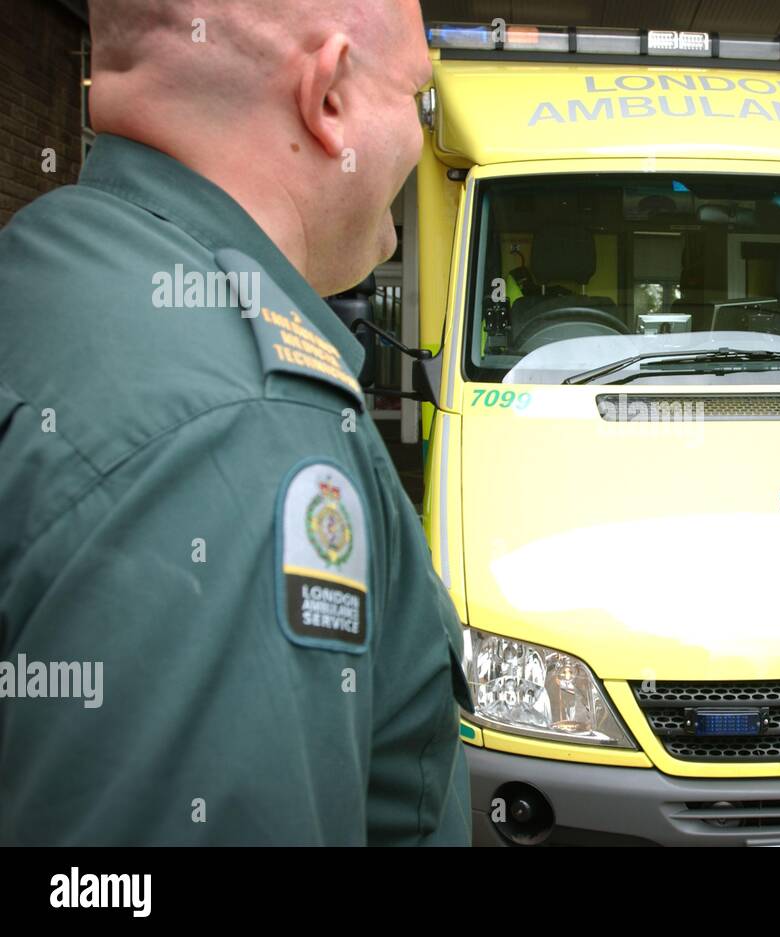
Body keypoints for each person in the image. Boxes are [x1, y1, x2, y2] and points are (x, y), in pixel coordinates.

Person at [0, 0, 473, 844]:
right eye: (416, 96)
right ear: (328, 99)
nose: (423, 137)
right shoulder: (249, 436)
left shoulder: (44, 265)